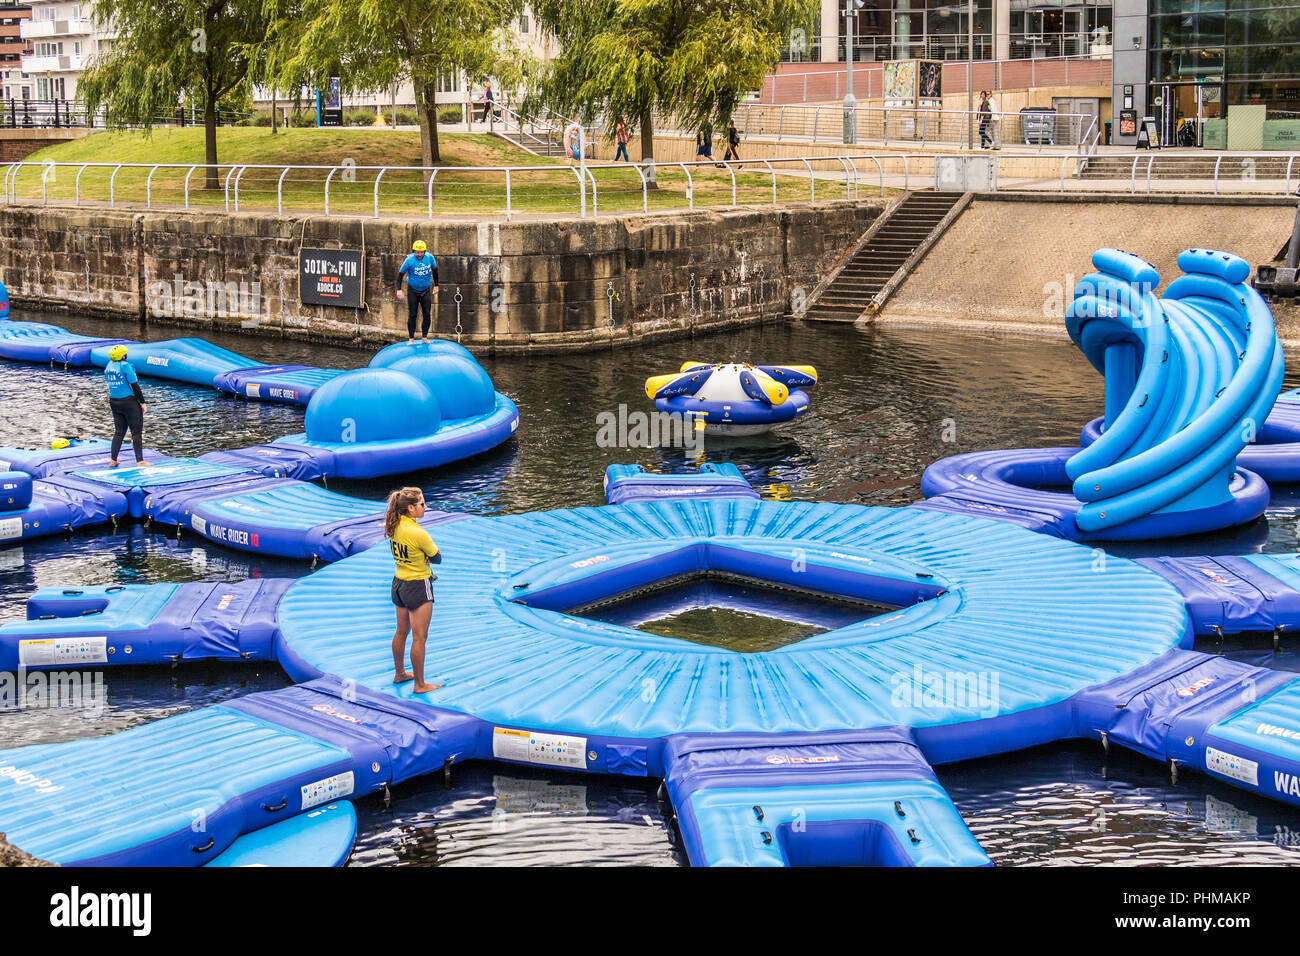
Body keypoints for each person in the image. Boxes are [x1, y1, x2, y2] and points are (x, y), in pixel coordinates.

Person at [385, 486, 442, 694]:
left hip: (399, 583)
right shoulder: (418, 533)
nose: (425, 507)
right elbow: (437, 557)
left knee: (401, 631)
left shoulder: (394, 524)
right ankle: (420, 684)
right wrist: (429, 555)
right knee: (420, 637)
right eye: (422, 504)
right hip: (417, 584)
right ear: (410, 508)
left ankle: (400, 673)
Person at [104, 344, 147, 468]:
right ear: (123, 355)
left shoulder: (109, 366)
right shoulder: (125, 366)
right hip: (129, 402)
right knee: (136, 432)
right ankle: (140, 461)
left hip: (114, 401)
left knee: (119, 432)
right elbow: (135, 386)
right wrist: (142, 403)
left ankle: (113, 460)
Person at [397, 239, 439, 344]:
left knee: (427, 314)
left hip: (425, 290)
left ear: (424, 251)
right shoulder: (409, 260)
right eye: (417, 252)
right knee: (412, 315)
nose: (419, 254)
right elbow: (400, 275)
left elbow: (435, 271)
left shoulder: (430, 258)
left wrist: (436, 286)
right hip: (413, 291)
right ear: (414, 251)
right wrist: (399, 289)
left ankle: (424, 338)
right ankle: (411, 339)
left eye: (421, 252)